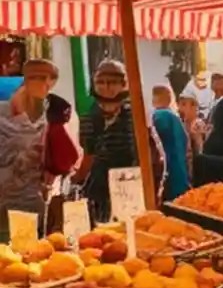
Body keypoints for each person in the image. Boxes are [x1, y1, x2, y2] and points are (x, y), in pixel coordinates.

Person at [74, 60, 166, 223]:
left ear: (123, 84)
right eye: (101, 82)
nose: (106, 87)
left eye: (112, 82)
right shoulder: (89, 117)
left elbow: (155, 156)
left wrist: (154, 189)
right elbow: (89, 156)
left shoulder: (137, 116)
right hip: (100, 190)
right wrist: (77, 180)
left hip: (131, 187)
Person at [0, 60, 60, 238]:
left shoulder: (49, 116)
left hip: (32, 206)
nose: (44, 84)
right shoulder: (4, 116)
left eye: (47, 80)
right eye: (36, 78)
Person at [151, 85, 191, 201]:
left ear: (154, 100)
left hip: (167, 174)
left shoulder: (159, 117)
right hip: (181, 174)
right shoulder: (175, 118)